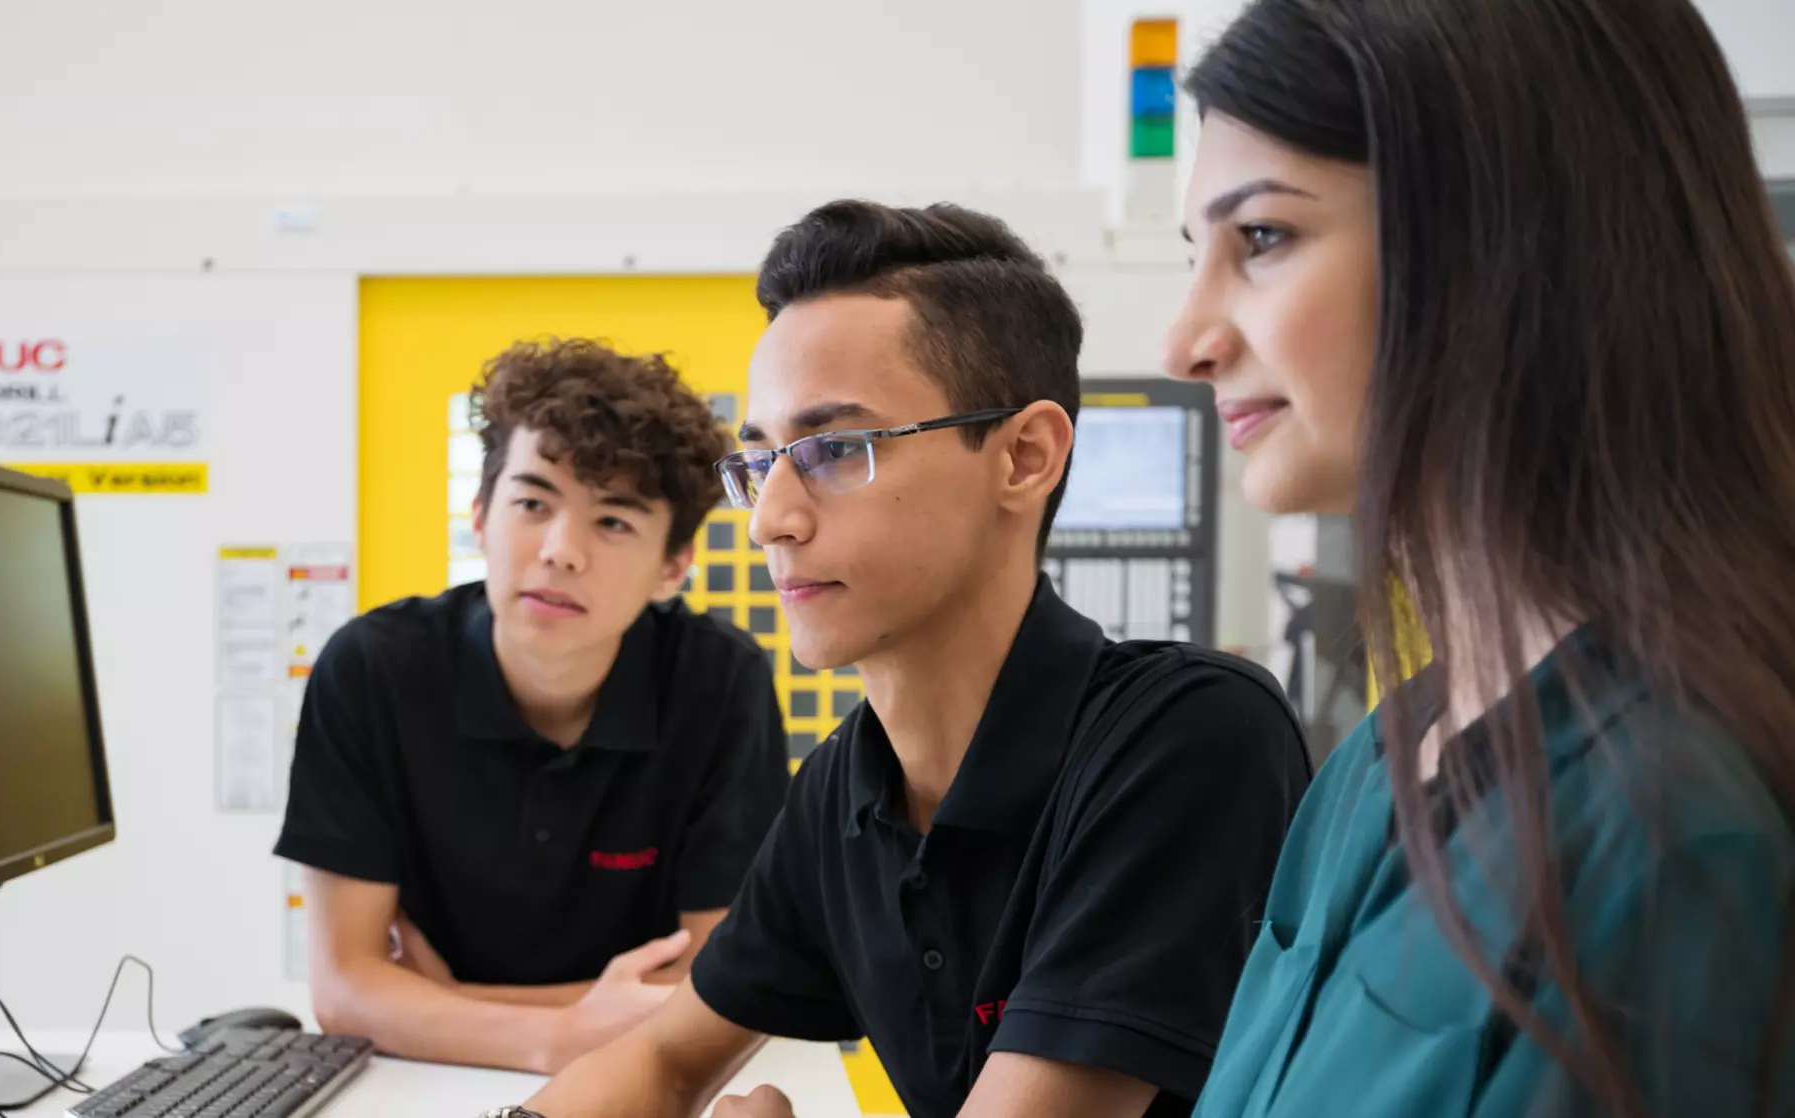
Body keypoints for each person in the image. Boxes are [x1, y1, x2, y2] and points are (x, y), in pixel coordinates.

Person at [511, 200, 1312, 1118]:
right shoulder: (844, 790)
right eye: (763, 460)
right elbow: (662, 1057)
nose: (773, 517)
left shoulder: (1186, 738)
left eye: (836, 449)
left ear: (1024, 456)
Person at [1166, 1, 1795, 1114]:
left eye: (1260, 238)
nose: (1185, 340)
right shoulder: (1376, 765)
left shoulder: (1671, 839)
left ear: (1501, 243)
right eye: (1195, 253)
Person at [275, 338, 791, 1074]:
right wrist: (557, 1035)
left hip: (641, 1081)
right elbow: (345, 988)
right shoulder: (372, 669)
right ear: (481, 515)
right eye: (531, 502)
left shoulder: (719, 683)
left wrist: (450, 1000)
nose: (560, 550)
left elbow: (717, 986)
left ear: (672, 567)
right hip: (417, 1082)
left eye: (613, 521)